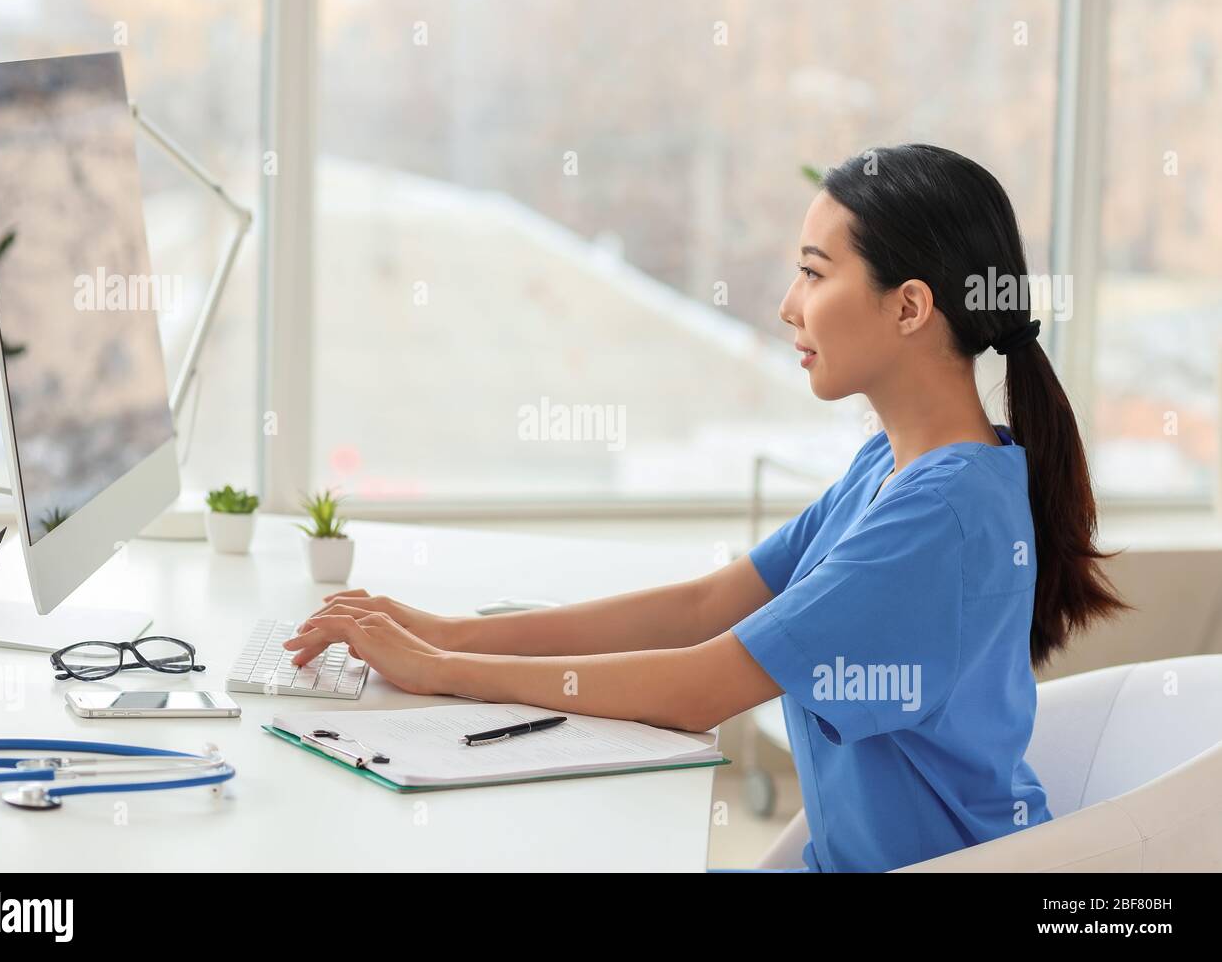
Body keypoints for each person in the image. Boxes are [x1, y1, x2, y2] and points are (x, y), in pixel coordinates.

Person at [284, 143, 1127, 872]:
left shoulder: (940, 517)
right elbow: (702, 607)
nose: (788, 305)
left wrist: (443, 673)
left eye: (812, 272)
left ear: (909, 305)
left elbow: (700, 686)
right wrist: (440, 631)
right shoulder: (893, 466)